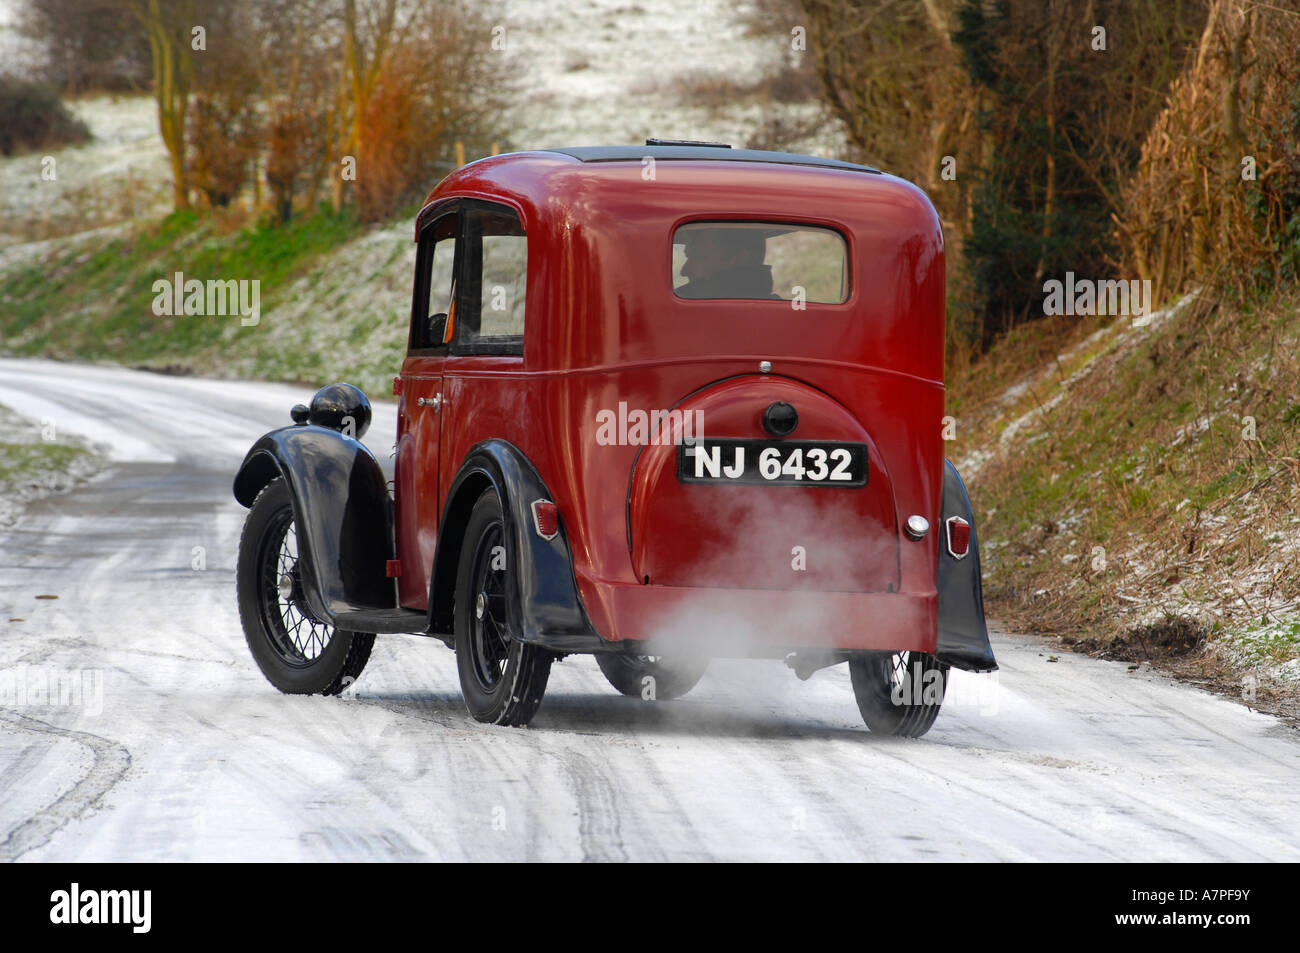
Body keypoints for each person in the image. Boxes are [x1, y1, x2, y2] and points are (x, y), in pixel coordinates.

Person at [676, 228, 780, 299]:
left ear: (739, 259)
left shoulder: (696, 312)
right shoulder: (779, 314)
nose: (684, 271)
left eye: (699, 257)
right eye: (688, 257)